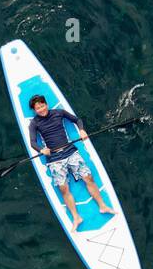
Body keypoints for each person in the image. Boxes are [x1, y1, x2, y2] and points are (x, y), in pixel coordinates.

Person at [26, 95, 115, 229]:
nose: (41, 109)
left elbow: (77, 120)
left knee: (88, 178)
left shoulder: (59, 113)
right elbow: (33, 142)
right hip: (54, 158)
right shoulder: (34, 123)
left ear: (46, 104)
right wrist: (41, 149)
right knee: (63, 188)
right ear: (34, 110)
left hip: (70, 151)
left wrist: (82, 130)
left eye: (42, 105)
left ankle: (102, 206)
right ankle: (76, 217)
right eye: (38, 108)